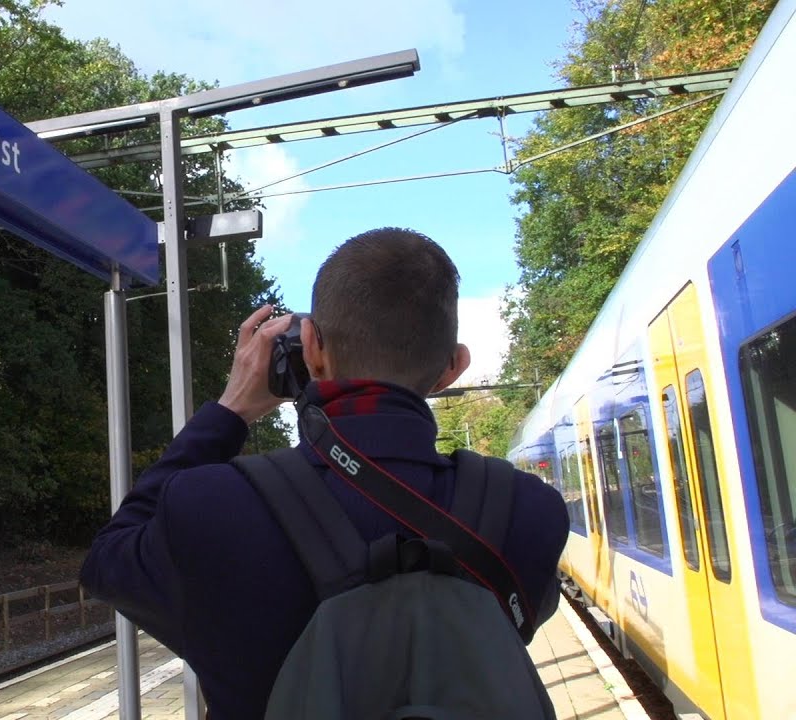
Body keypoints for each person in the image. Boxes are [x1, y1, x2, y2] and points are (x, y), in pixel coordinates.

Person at [80, 227, 570, 720]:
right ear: (453, 367)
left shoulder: (211, 506)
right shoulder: (530, 514)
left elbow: (107, 562)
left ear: (311, 346)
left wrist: (231, 409)